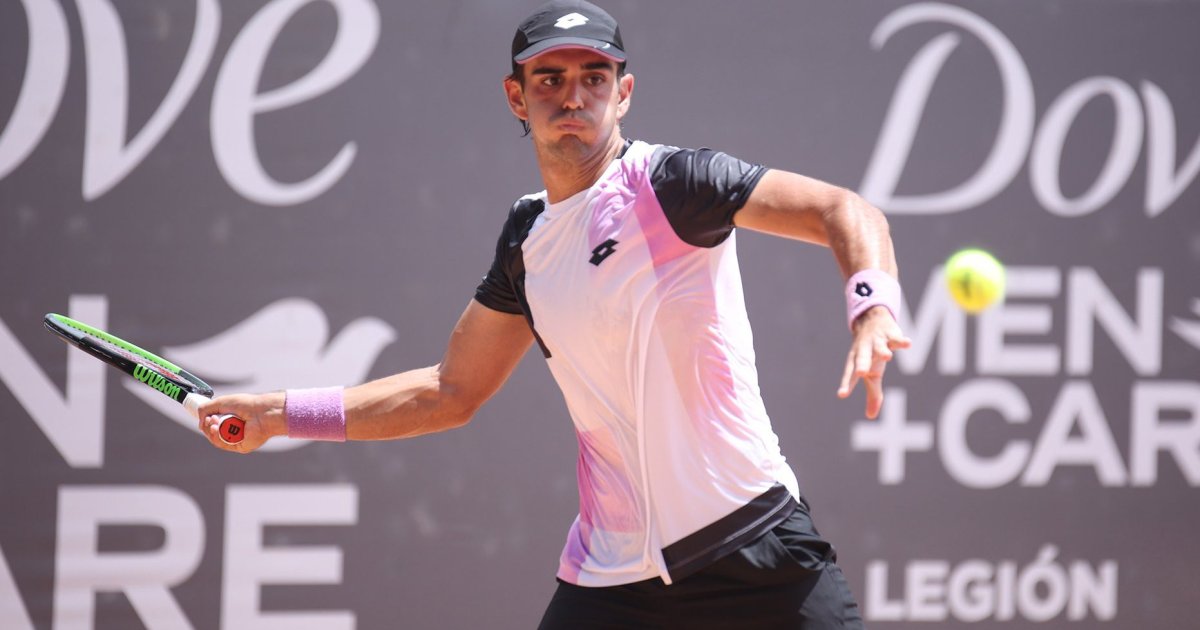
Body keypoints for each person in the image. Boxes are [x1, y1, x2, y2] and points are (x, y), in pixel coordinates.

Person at [198, 1, 911, 627]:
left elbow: (842, 210)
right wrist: (278, 415)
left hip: (755, 551)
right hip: (612, 583)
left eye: (593, 78)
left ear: (623, 92)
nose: (574, 96)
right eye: (550, 80)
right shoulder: (526, 240)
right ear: (517, 97)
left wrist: (871, 307)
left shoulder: (674, 183)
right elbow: (451, 391)